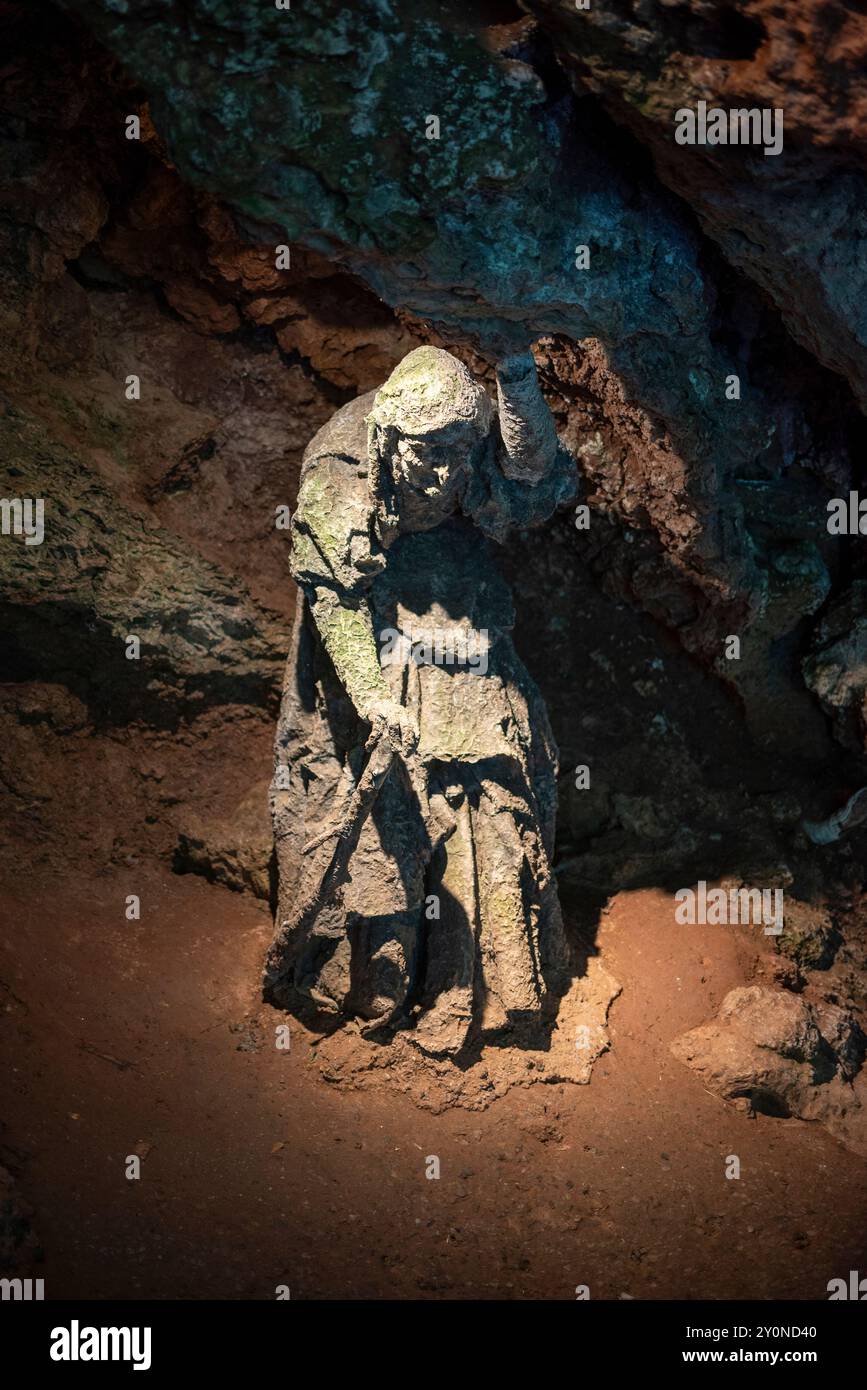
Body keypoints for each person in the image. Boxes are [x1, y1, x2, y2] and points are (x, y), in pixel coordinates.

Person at [267, 345, 576, 1055]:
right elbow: (334, 596)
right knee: (379, 804)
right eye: (427, 458)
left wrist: (518, 384)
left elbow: (531, 485)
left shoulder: (464, 449)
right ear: (388, 440)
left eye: (457, 457)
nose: (444, 477)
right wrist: (372, 697)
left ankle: (489, 987)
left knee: (494, 792)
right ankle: (373, 979)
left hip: (465, 622)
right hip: (372, 626)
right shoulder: (340, 464)